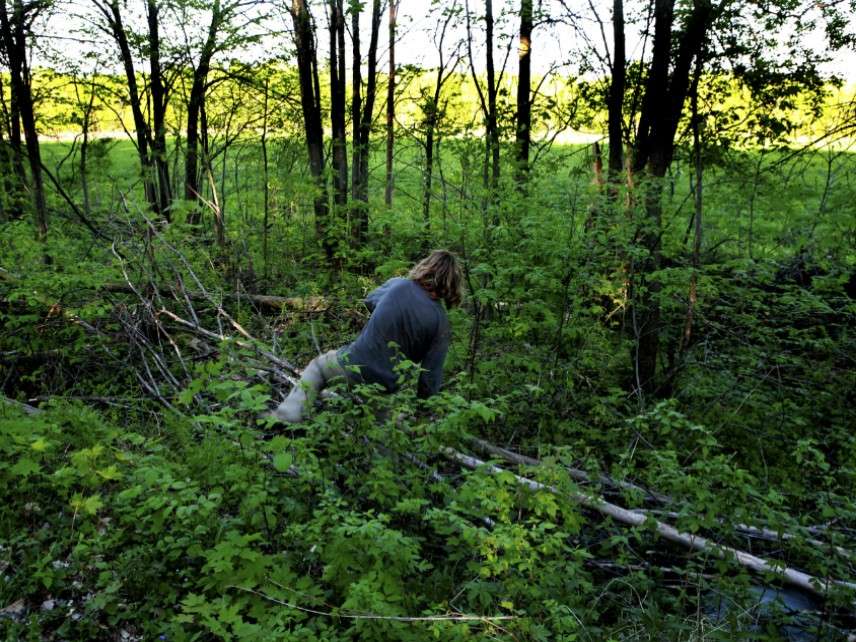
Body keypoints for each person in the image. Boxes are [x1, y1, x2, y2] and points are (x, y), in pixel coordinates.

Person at [272, 249, 463, 423]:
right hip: (383, 388)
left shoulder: (398, 285)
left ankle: (286, 417)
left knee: (319, 367)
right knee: (381, 434)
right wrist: (424, 415)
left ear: (426, 267)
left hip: (351, 364)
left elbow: (370, 300)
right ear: (452, 283)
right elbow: (430, 378)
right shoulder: (441, 323)